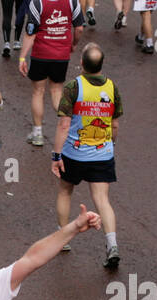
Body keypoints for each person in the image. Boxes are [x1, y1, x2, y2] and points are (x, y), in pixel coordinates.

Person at [53, 44, 123, 269]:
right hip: (102, 152)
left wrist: (56, 154)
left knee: (65, 191)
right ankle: (112, 244)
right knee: (102, 199)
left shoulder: (74, 86)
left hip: (74, 152)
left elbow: (64, 124)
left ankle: (63, 239)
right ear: (101, 66)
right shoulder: (112, 87)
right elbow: (115, 124)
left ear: (82, 64)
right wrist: (110, 144)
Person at [19, 0, 85, 147]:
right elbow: (79, 28)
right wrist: (73, 43)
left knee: (38, 92)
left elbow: (31, 33)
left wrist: (22, 57)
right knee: (56, 91)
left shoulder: (37, 3)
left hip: (41, 54)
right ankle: (73, 127)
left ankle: (37, 133)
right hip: (61, 54)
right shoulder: (72, 2)